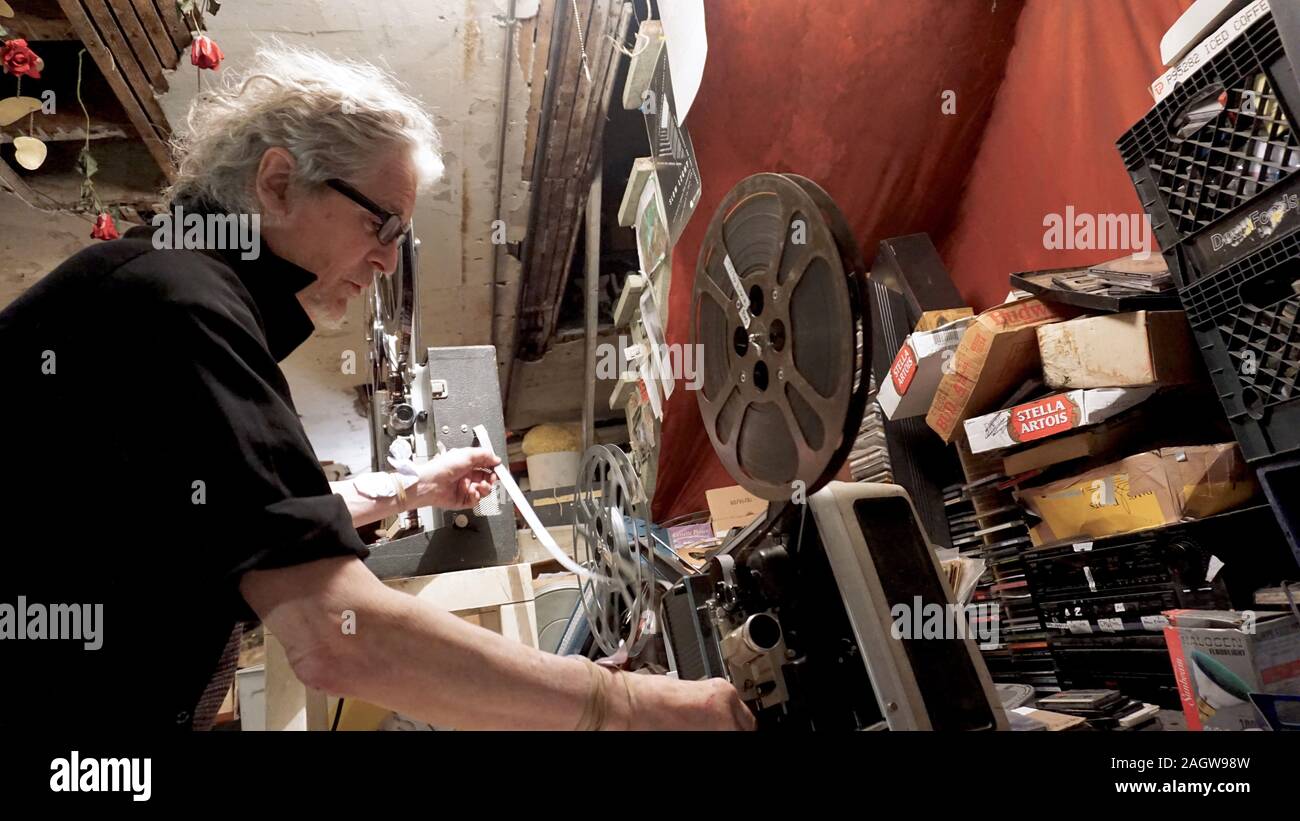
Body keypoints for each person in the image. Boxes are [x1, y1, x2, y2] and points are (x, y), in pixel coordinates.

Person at [0, 46, 753, 731]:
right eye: (384, 227)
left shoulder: (169, 284)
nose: (388, 262)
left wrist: (411, 489)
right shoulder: (175, 301)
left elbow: (265, 519)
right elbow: (334, 637)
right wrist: (621, 704)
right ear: (279, 181)